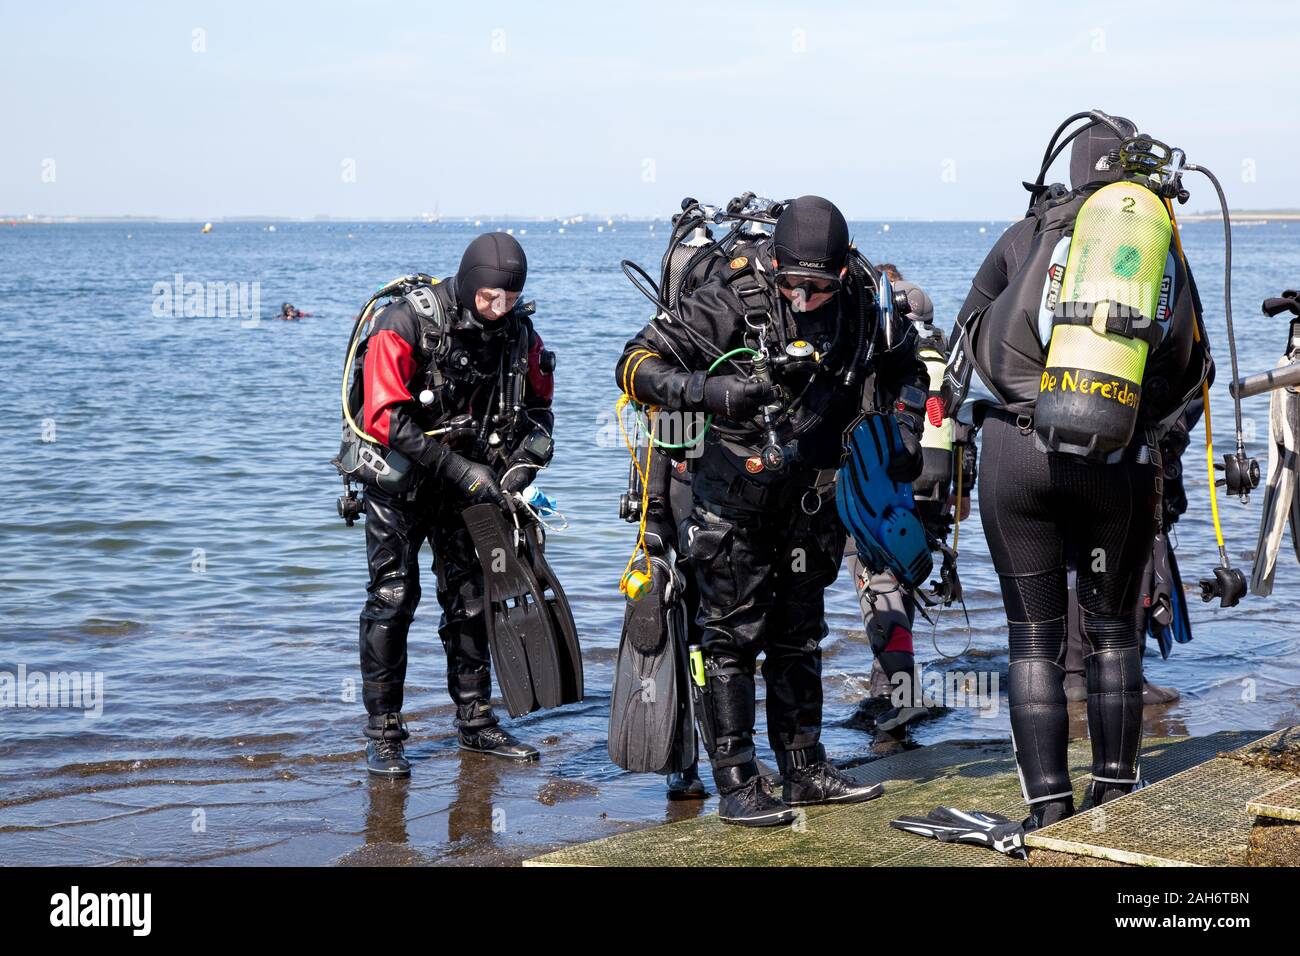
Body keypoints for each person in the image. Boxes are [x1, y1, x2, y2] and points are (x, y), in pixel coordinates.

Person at [615, 196, 929, 826]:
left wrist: (904, 429)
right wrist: (709, 390)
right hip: (731, 495)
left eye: (817, 288)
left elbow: (907, 368)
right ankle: (735, 783)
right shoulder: (731, 297)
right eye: (792, 285)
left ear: (842, 274)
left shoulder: (868, 305)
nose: (803, 299)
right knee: (730, 636)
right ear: (775, 266)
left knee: (799, 634)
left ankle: (804, 767)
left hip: (811, 501)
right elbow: (633, 363)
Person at [946, 112, 1212, 830]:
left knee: (1032, 637)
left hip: (1017, 458)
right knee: (1112, 632)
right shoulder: (1156, 243)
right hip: (1117, 464)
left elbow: (963, 343)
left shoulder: (1024, 234)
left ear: (1071, 168)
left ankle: (1046, 809)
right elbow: (1192, 368)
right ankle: (1116, 795)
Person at [352, 233, 557, 776]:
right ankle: (384, 733)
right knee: (394, 598)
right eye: (491, 297)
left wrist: (524, 467)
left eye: (509, 299)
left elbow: (539, 411)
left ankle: (475, 721)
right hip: (400, 485)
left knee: (469, 599)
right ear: (469, 283)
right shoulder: (404, 324)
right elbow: (382, 419)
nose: (499, 308)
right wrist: (460, 470)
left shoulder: (519, 333)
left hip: (472, 487)